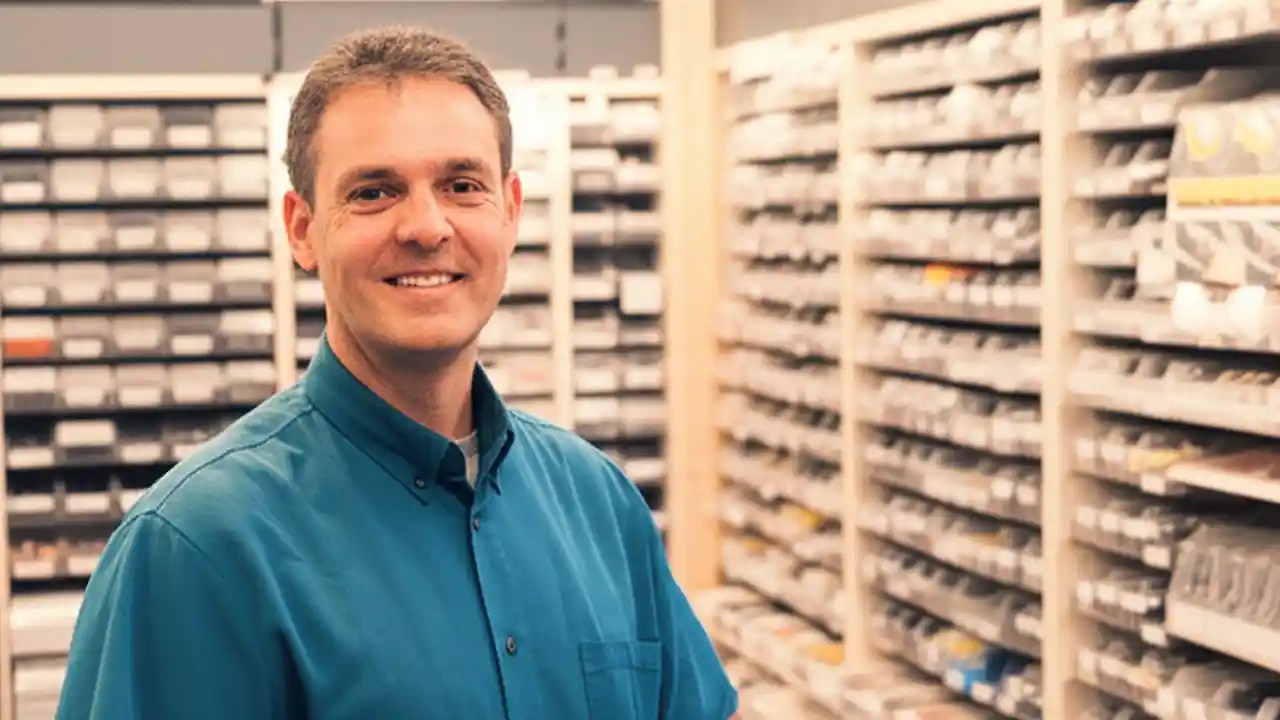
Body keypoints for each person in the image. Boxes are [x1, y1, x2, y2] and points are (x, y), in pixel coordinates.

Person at [57, 26, 738, 720]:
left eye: (462, 184)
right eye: (375, 192)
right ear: (301, 229)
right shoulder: (195, 549)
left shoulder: (597, 501)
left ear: (510, 211)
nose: (426, 225)